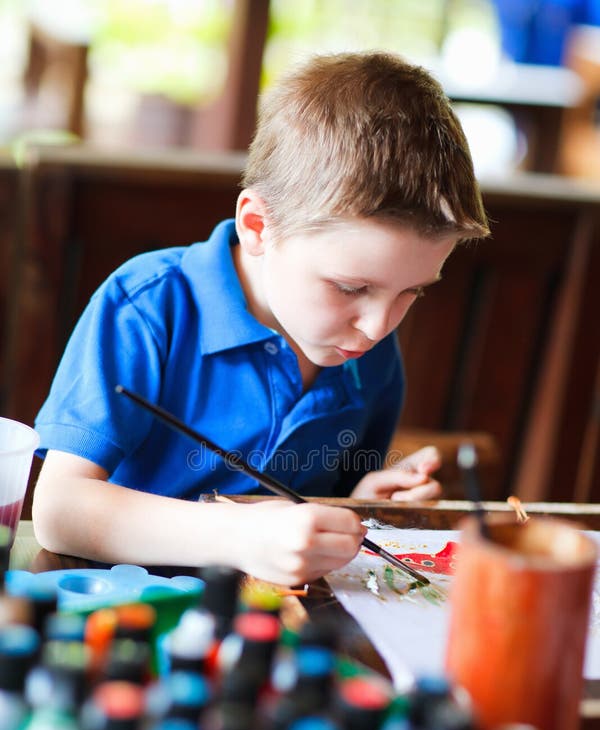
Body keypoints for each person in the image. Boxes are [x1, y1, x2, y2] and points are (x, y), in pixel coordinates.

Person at [32, 51, 489, 586]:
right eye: (351, 287)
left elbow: (317, 498)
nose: (378, 325)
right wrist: (239, 537)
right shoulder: (149, 307)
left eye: (412, 292)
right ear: (256, 226)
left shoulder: (367, 352)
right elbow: (59, 511)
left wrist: (357, 503)